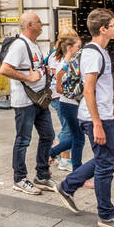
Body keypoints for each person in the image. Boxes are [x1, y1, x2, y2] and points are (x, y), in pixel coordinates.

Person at [57, 9, 114, 227]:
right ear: (103, 29)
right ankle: (106, 215)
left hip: (99, 115)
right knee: (105, 165)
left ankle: (67, 186)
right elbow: (89, 90)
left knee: (104, 160)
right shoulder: (93, 53)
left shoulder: (99, 51)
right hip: (96, 118)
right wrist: (98, 123)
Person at [0, 11, 54, 194]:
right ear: (30, 25)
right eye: (38, 22)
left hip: (39, 100)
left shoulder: (34, 45)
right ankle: (20, 179)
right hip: (25, 102)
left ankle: (42, 175)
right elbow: (5, 69)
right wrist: (28, 77)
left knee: (48, 135)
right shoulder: (19, 45)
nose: (42, 24)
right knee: (23, 140)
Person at [47, 32, 84, 177]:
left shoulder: (71, 60)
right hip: (69, 103)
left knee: (77, 137)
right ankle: (76, 171)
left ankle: (52, 154)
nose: (80, 49)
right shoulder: (65, 63)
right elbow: (59, 86)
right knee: (77, 137)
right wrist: (74, 96)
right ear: (69, 47)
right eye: (78, 46)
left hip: (71, 103)